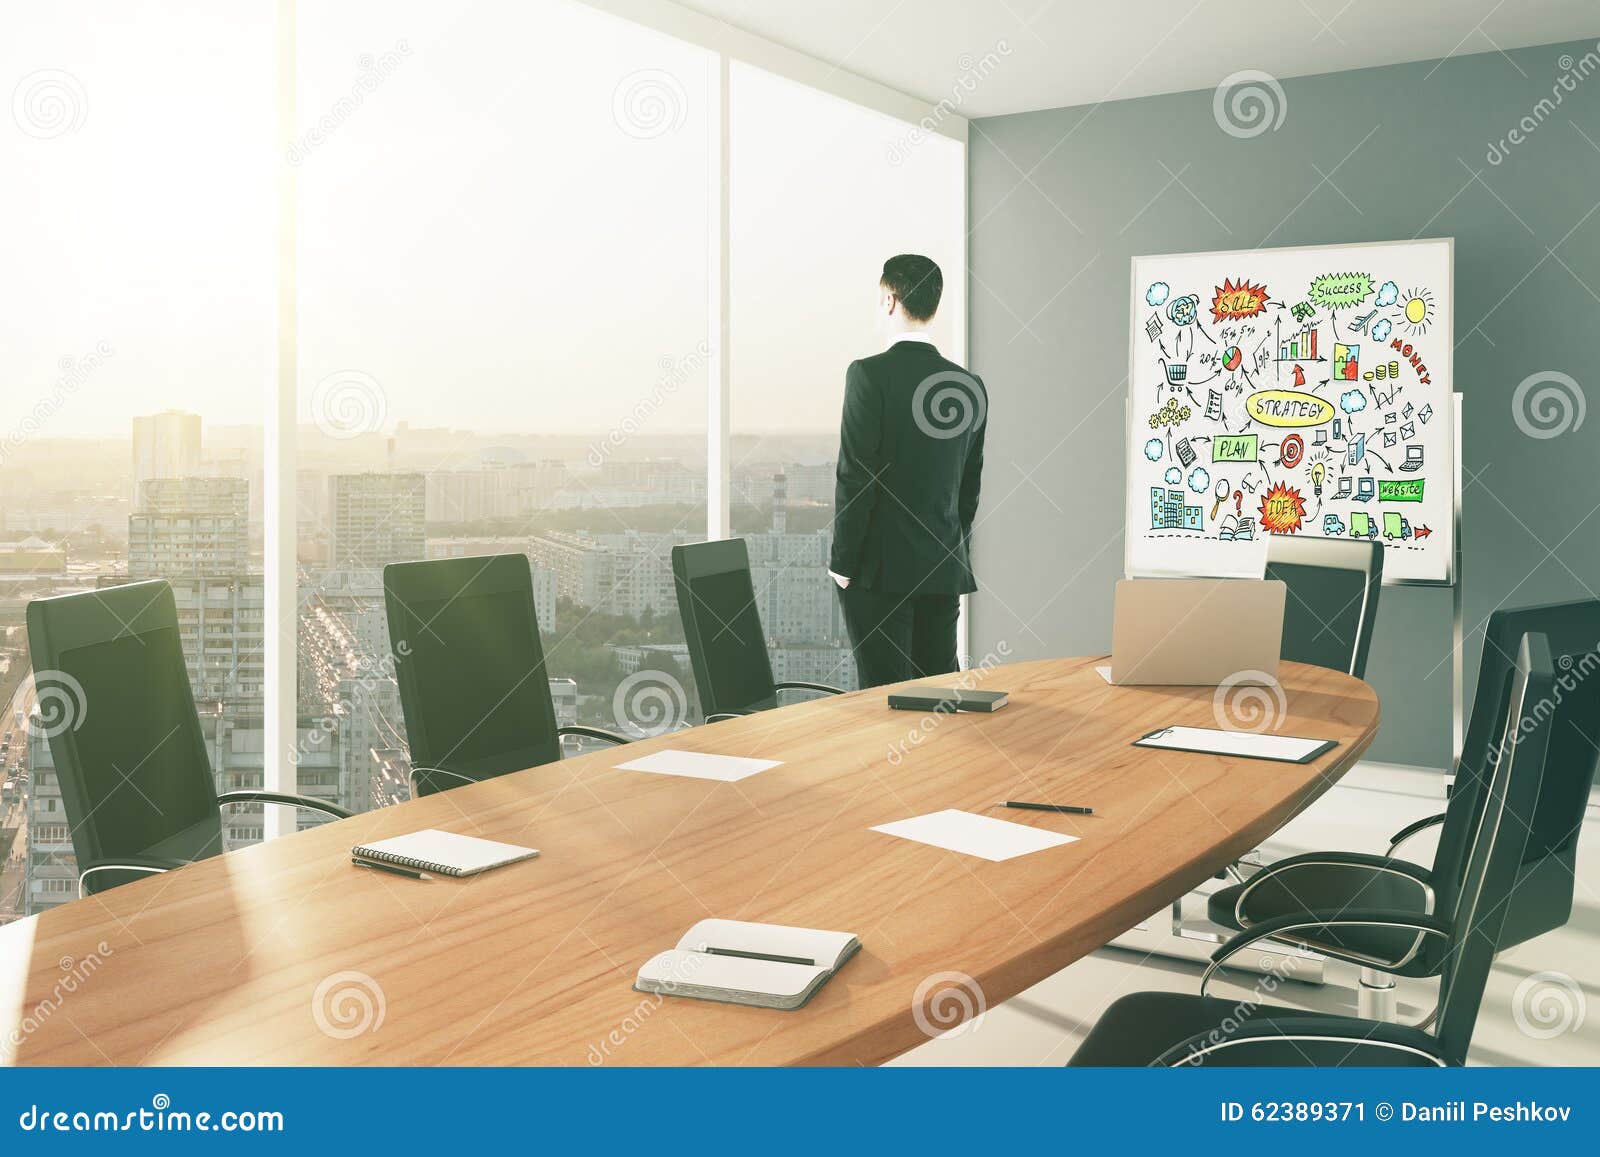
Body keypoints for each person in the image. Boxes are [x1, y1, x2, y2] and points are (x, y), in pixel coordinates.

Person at [829, 254, 986, 689]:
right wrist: (953, 551)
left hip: (878, 573)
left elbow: (856, 477)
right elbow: (968, 490)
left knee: (883, 698)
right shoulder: (968, 385)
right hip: (942, 567)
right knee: (939, 696)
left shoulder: (868, 375)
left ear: (890, 300)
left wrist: (843, 562)